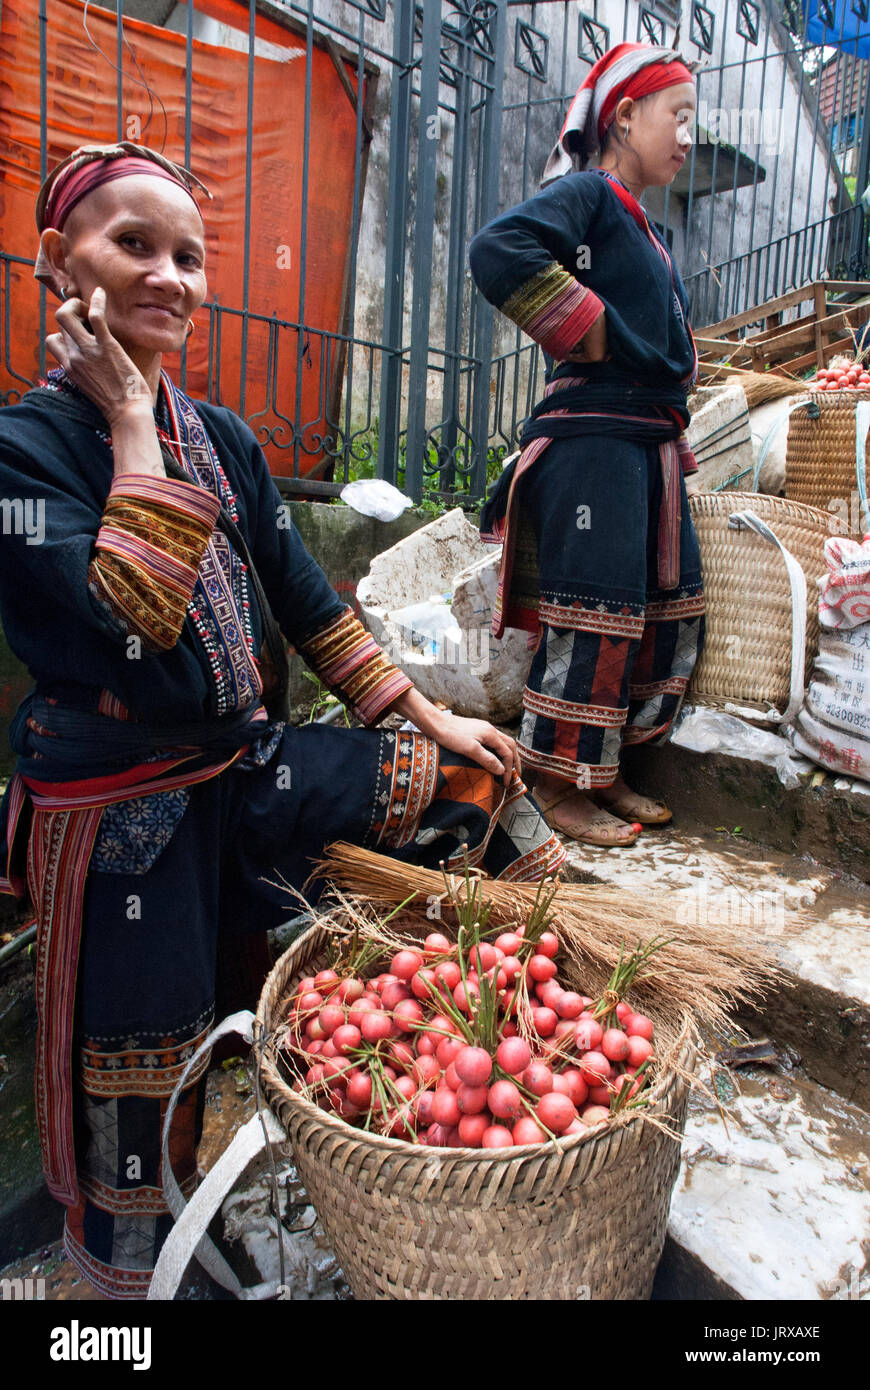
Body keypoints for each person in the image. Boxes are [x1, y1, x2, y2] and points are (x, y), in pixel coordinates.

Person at [0, 142, 564, 1299]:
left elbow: (310, 607)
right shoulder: (23, 453)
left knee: (473, 789)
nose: (172, 276)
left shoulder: (233, 444)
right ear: (61, 263)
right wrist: (128, 419)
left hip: (244, 769)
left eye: (192, 255)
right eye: (133, 245)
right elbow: (138, 615)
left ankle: (462, 1059)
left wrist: (423, 718)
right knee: (139, 1073)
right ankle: (119, 1290)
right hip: (122, 824)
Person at [469, 43, 706, 847]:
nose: (686, 136)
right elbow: (497, 250)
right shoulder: (588, 195)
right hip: (594, 444)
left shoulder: (644, 225)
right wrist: (589, 330)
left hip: (643, 448)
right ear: (625, 116)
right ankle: (555, 785)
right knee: (594, 615)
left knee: (654, 615)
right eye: (677, 115)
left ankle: (605, 775)